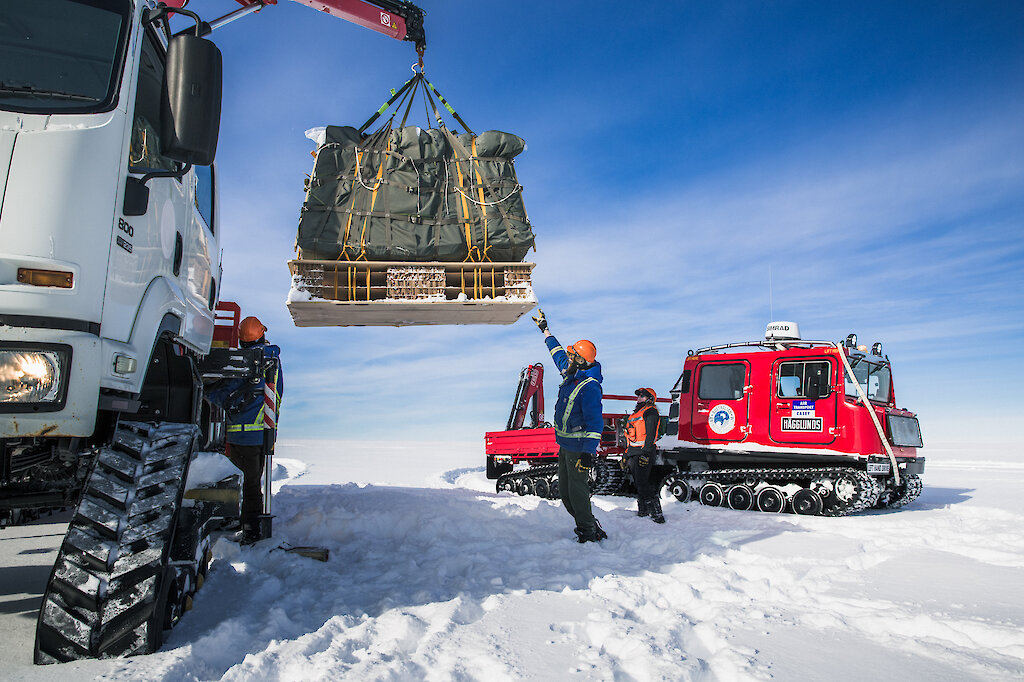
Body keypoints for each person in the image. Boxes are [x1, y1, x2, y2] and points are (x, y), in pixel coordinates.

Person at [531, 309, 607, 543]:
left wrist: (588, 453)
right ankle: (587, 522)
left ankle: (587, 530)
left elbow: (595, 423)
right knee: (565, 493)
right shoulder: (572, 372)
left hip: (578, 449)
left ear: (582, 361)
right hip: (564, 445)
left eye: (573, 355)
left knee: (577, 491)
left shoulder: (590, 386)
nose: (569, 357)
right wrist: (546, 330)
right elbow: (557, 354)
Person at [206, 315, 283, 544]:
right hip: (263, 434)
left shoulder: (247, 363)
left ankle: (251, 530)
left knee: (245, 484)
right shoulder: (272, 361)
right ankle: (250, 526)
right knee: (251, 484)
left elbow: (225, 393)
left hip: (242, 436)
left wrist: (205, 390)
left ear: (242, 341)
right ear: (262, 335)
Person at [624, 388, 665, 523]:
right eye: (638, 396)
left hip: (644, 452)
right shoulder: (635, 414)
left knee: (643, 482)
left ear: (650, 399)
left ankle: (656, 513)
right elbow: (630, 437)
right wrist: (626, 455)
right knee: (639, 483)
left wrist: (646, 454)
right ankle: (643, 510)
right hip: (634, 453)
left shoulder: (650, 411)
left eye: (642, 396)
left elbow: (650, 435)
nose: (639, 398)